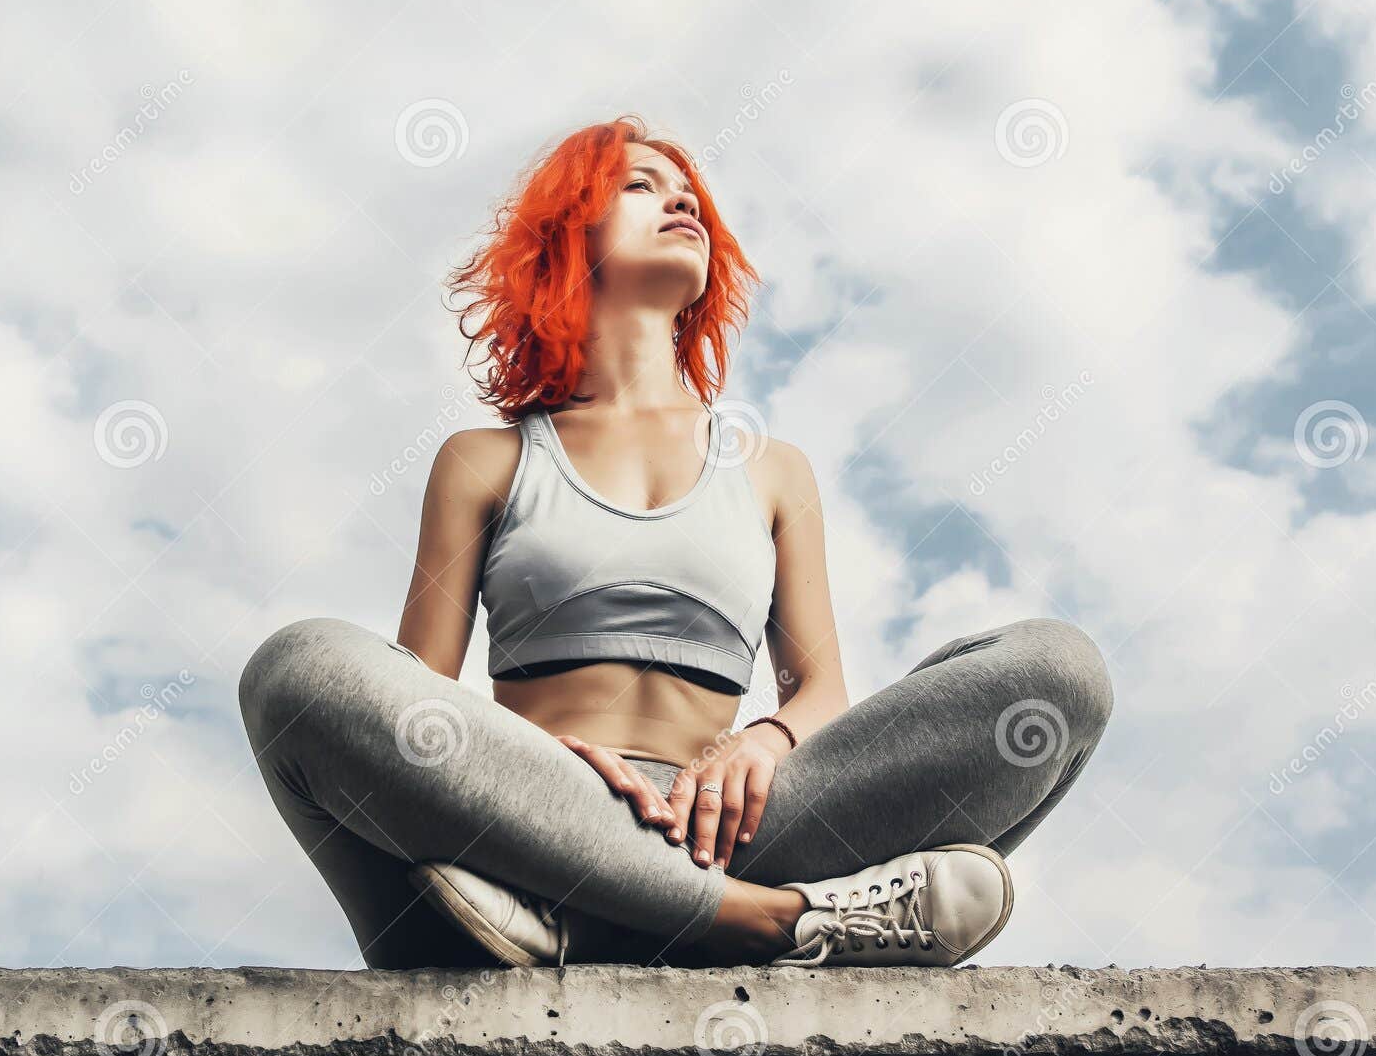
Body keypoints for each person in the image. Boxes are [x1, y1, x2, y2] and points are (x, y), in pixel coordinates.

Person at [238, 115, 1114, 971]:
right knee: (299, 670)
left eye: (690, 191)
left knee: (1059, 676)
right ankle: (763, 923)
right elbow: (420, 699)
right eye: (640, 185)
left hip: (725, 832)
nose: (682, 200)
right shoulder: (485, 461)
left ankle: (603, 922)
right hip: (518, 831)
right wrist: (538, 770)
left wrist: (762, 741)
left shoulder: (774, 471)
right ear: (570, 237)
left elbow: (820, 691)